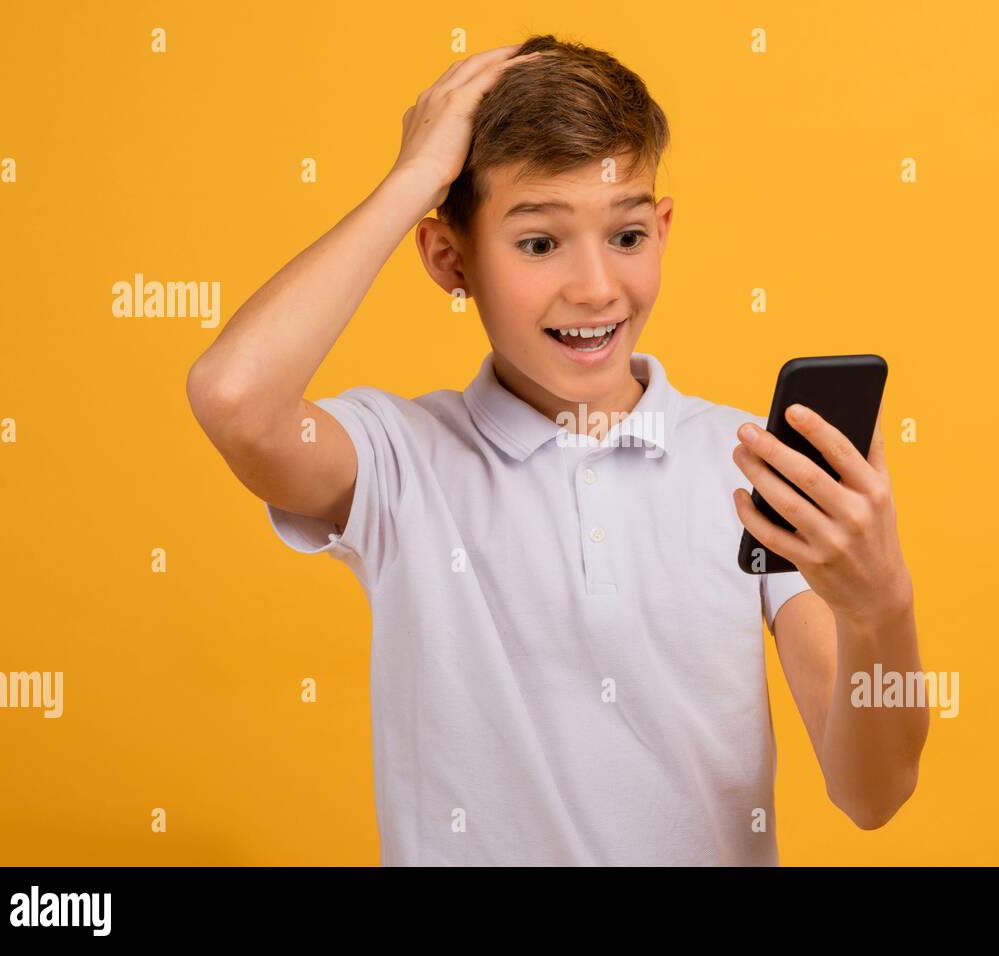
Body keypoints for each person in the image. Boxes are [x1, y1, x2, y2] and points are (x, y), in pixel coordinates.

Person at [186, 34, 927, 866]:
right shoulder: (399, 462)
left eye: (628, 235)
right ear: (447, 257)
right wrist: (410, 182)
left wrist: (881, 607)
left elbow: (873, 792)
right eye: (539, 243)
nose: (598, 288)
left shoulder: (748, 465)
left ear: (664, 229)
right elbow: (234, 398)